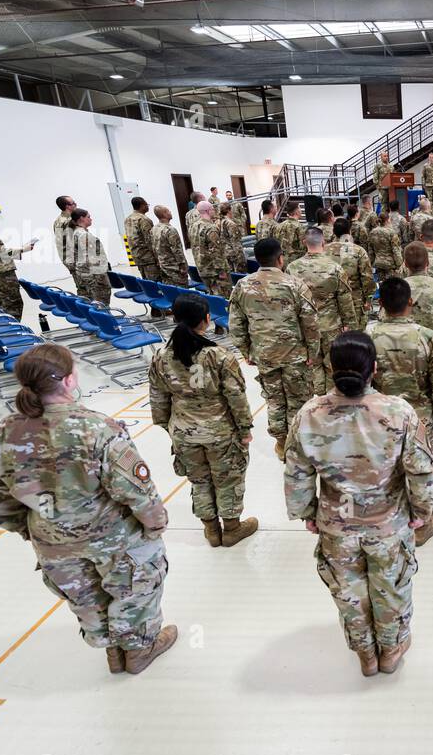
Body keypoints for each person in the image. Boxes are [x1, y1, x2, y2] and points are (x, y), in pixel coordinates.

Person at [0, 343, 176, 675]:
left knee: (85, 598)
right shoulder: (98, 429)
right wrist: (155, 526)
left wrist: (33, 532)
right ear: (69, 380)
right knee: (135, 589)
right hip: (114, 537)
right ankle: (140, 649)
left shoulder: (2, 434)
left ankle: (112, 653)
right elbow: (137, 493)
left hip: (52, 542)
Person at [285, 331, 433, 677]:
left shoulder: (309, 414)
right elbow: (421, 470)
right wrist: (421, 512)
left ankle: (365, 654)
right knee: (391, 587)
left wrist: (307, 513)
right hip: (387, 524)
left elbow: (297, 472)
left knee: (349, 592)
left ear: (331, 368)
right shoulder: (398, 412)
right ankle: (391, 649)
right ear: (375, 368)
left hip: (337, 524)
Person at [149, 295, 257, 548]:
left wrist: (169, 427)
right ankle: (231, 529)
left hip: (184, 431)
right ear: (206, 320)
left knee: (199, 480)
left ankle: (210, 529)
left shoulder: (161, 357)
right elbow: (236, 396)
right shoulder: (219, 356)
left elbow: (158, 398)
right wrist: (244, 428)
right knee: (228, 477)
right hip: (221, 431)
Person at [229, 237, 321, 459]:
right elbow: (310, 322)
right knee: (299, 399)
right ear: (281, 258)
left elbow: (236, 323)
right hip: (295, 355)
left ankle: (281, 444)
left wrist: (246, 351)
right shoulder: (295, 284)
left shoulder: (242, 285)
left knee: (274, 400)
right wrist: (312, 351)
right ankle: (298, 444)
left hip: (264, 355)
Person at [371, 275, 433, 480]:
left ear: (380, 304)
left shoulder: (368, 340)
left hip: (380, 422)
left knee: (387, 478)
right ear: (410, 302)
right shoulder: (428, 339)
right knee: (422, 479)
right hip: (421, 422)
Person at [290, 227, 358, 394]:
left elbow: (289, 302)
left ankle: (319, 399)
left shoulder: (292, 268)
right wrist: (350, 325)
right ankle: (331, 400)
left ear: (304, 242)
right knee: (333, 365)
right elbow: (345, 300)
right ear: (323, 242)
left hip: (304, 328)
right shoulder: (334, 268)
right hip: (331, 326)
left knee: (312, 365)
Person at [330, 217, 376, 324]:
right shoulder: (358, 251)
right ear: (349, 231)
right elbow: (367, 278)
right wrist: (368, 299)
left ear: (334, 232)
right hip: (354, 300)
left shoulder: (324, 250)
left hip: (331, 302)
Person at [65, 208, 111, 305]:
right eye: (88, 217)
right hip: (94, 277)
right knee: (101, 304)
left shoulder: (76, 233)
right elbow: (91, 259)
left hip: (84, 274)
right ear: (82, 218)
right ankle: (103, 320)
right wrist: (101, 277)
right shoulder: (83, 235)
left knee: (93, 303)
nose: (91, 219)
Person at [189, 201, 232, 300]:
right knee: (223, 298)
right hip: (215, 272)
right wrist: (221, 271)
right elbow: (216, 252)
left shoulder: (193, 226)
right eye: (213, 209)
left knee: (212, 296)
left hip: (203, 269)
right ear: (208, 211)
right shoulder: (211, 228)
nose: (214, 211)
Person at [123, 197, 159, 283]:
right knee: (154, 283)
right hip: (148, 258)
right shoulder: (144, 219)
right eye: (147, 205)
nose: (148, 206)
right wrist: (158, 257)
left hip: (137, 256)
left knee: (146, 282)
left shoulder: (128, 219)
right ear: (142, 205)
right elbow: (150, 240)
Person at [151, 205, 188, 286]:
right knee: (182, 292)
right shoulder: (170, 230)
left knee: (170, 290)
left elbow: (153, 247)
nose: (170, 212)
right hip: (174, 268)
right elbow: (177, 250)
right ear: (164, 214)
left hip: (163, 266)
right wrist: (182, 266)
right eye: (168, 211)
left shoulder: (154, 229)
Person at [368, 211, 404, 283]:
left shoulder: (372, 232)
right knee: (392, 286)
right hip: (390, 265)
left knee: (382, 286)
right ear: (388, 220)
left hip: (378, 263)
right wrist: (400, 264)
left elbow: (370, 250)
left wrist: (372, 263)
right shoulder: (391, 233)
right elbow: (396, 250)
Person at [53, 195, 78, 288]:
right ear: (68, 206)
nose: (76, 205)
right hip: (76, 259)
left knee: (82, 287)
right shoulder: (69, 221)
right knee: (86, 287)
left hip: (68, 258)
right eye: (73, 203)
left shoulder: (58, 220)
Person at [220, 204, 248, 276]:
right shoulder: (231, 224)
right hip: (233, 253)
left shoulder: (219, 222)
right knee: (240, 274)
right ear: (229, 210)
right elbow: (236, 242)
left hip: (225, 252)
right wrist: (241, 258)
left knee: (231, 274)